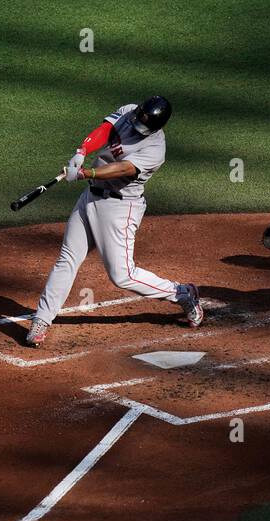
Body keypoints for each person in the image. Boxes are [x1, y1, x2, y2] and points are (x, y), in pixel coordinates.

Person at [25, 96, 202, 348]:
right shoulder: (129, 111)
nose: (138, 124)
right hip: (90, 197)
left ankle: (182, 293)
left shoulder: (155, 149)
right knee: (67, 258)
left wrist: (88, 172)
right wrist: (82, 151)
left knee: (122, 275)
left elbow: (123, 169)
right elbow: (105, 128)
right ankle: (42, 320)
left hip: (120, 208)